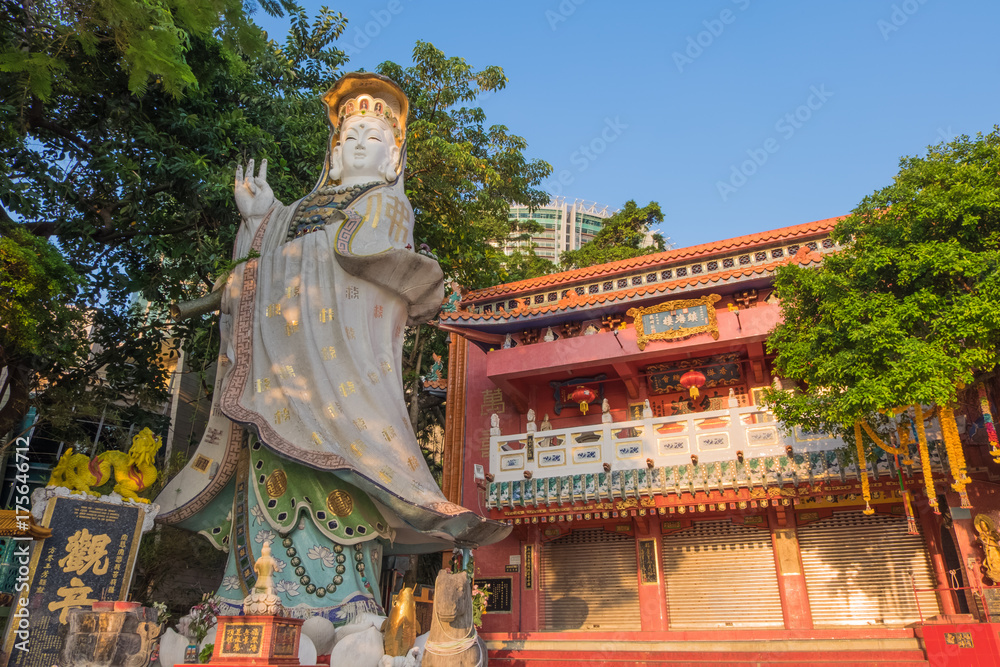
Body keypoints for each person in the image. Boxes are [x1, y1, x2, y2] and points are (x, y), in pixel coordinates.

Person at [155, 73, 507, 623]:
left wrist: (267, 266)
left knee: (335, 479)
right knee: (267, 478)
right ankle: (238, 601)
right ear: (333, 155)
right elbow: (255, 265)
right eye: (348, 137)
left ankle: (341, 606)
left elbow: (361, 263)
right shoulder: (293, 214)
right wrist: (259, 220)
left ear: (393, 158)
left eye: (372, 135)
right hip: (280, 378)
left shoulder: (388, 206)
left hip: (342, 387)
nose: (358, 143)